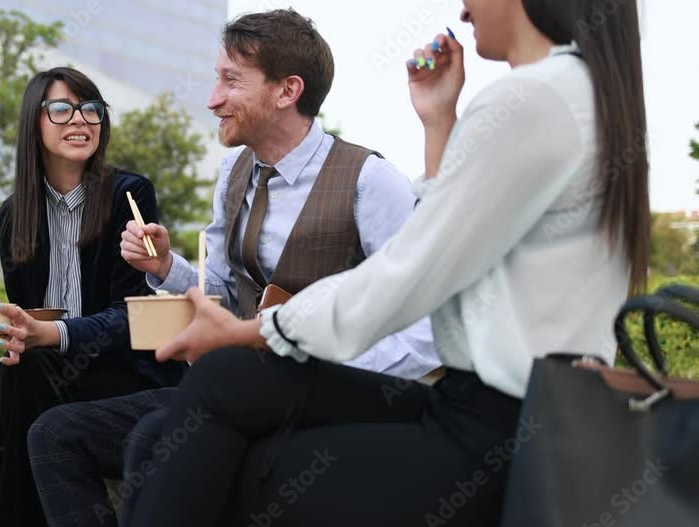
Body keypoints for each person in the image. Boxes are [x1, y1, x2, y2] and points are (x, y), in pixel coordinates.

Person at [125, 0, 651, 525]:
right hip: (494, 408)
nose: (463, 10)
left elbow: (409, 270)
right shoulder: (575, 93)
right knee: (216, 389)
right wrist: (439, 121)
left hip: (496, 431)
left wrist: (254, 331)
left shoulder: (535, 99)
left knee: (231, 459)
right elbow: (452, 239)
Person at [27, 10, 441, 527]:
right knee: (55, 435)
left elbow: (428, 325)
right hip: (231, 386)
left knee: (150, 444)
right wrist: (166, 267)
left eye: (230, 81)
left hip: (320, 402)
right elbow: (219, 290)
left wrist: (327, 377)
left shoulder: (371, 181)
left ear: (287, 91)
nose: (212, 99)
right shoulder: (233, 174)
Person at [0, 66, 185, 527]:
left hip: (127, 373)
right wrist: (17, 332)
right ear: (34, 121)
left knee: (15, 391)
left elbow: (132, 317)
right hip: (48, 373)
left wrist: (50, 335)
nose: (80, 120)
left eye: (91, 109)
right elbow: (31, 316)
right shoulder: (15, 216)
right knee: (11, 388)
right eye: (61, 109)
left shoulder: (129, 195)